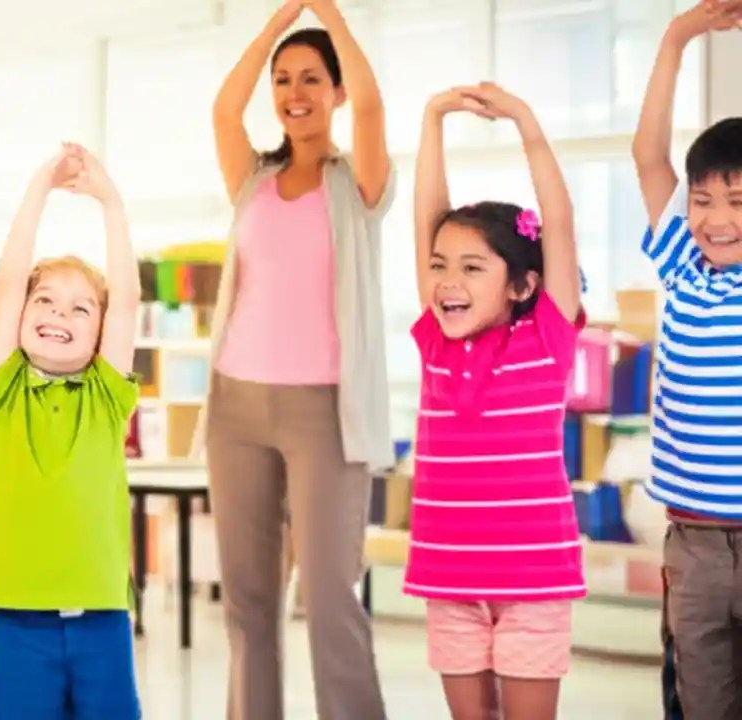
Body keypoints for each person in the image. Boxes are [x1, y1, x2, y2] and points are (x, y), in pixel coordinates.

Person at [201, 0, 392, 717]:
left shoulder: (358, 183)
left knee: (331, 593)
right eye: (283, 81)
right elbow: (225, 111)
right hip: (236, 409)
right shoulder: (250, 180)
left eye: (312, 79)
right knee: (248, 600)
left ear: (337, 92)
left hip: (325, 411)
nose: (294, 94)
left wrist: (330, 15)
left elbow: (373, 108)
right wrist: (275, 23)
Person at [411, 82, 585, 720]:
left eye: (472, 268)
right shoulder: (435, 341)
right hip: (449, 579)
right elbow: (427, 217)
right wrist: (432, 121)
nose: (448, 282)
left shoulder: (547, 337)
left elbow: (558, 223)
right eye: (439, 266)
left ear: (522, 284)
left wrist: (525, 123)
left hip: (533, 584)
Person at [0, 143, 143, 720]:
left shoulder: (107, 396)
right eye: (46, 302)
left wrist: (110, 202)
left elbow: (128, 297)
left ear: (100, 334)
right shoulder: (4, 390)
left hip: (102, 620)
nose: (59, 315)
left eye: (81, 310)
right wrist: (39, 186)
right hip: (19, 622)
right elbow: (9, 281)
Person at [631, 2, 742, 718]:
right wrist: (676, 37)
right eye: (702, 200)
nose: (716, 217)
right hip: (694, 543)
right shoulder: (684, 269)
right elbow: (648, 156)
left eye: (737, 200)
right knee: (701, 705)